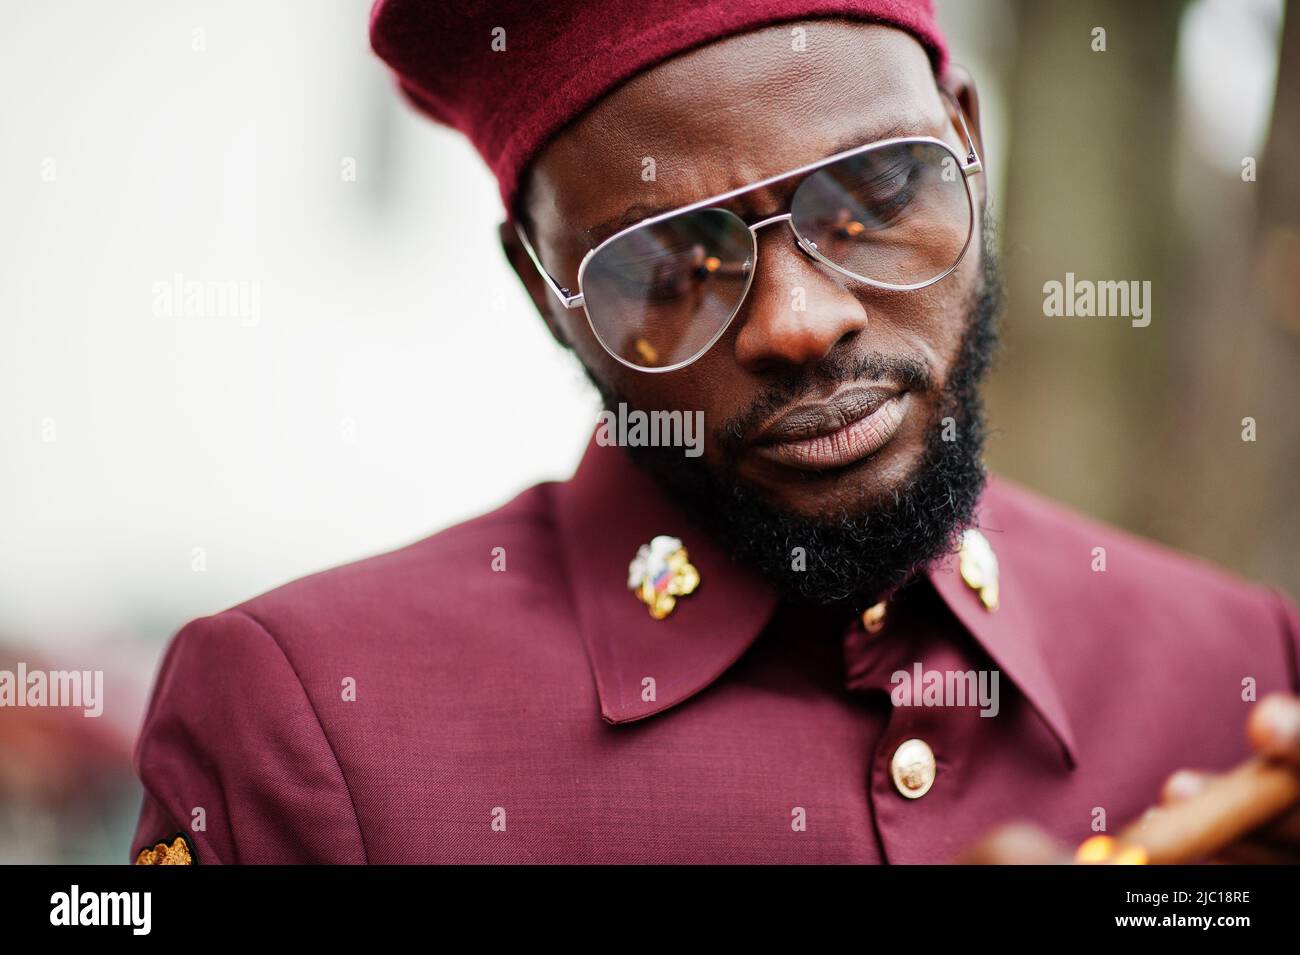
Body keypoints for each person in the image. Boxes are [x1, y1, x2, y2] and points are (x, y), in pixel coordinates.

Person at [129, 0, 1300, 864]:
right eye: (669, 263)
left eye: (876, 191)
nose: (801, 321)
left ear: (971, 144)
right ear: (546, 293)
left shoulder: (1240, 674)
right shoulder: (311, 721)